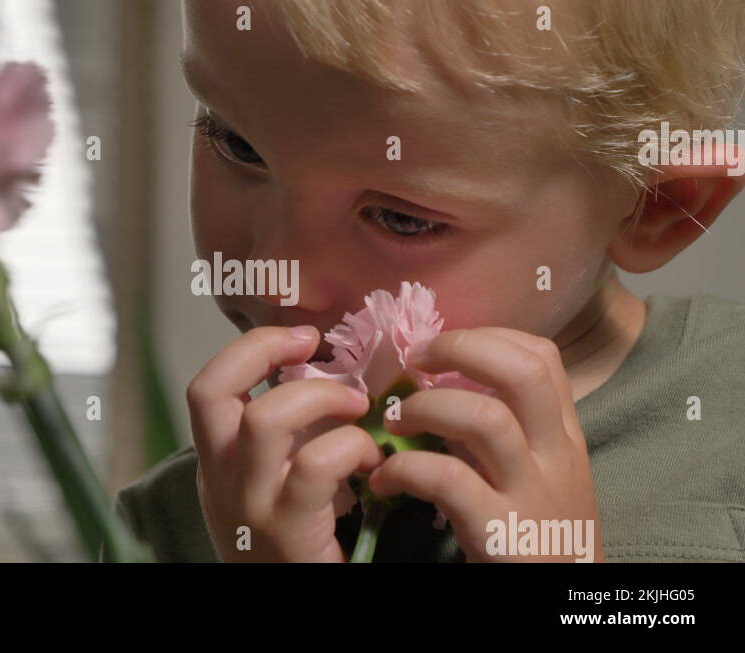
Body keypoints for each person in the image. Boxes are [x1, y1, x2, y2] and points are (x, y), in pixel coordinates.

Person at [107, 0, 745, 562]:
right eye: (237, 145)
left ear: (657, 209)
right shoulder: (172, 527)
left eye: (400, 218)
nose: (280, 280)